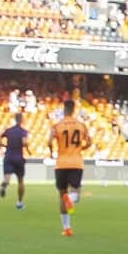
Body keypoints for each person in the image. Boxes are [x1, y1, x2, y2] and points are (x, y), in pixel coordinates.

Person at [49, 99, 89, 237]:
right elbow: (89, 142)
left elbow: (49, 141)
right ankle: (70, 199)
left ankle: (66, 228)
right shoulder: (81, 125)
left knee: (62, 195)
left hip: (61, 163)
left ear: (64, 109)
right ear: (74, 109)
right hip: (76, 162)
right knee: (76, 195)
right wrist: (80, 148)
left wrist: (51, 151)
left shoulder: (57, 125)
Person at [0, 113, 28, 206]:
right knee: (20, 180)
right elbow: (24, 143)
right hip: (18, 158)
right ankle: (19, 202)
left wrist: (5, 145)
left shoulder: (8, 131)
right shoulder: (23, 131)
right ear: (21, 120)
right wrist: (28, 149)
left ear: (15, 119)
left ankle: (4, 186)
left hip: (8, 157)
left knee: (7, 179)